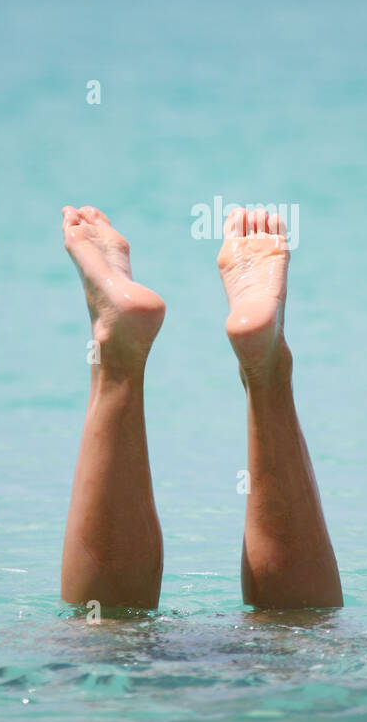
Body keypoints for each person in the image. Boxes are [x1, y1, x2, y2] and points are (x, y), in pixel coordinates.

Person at [59, 204, 342, 613]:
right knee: (298, 636)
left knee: (104, 636)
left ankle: (116, 351)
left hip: (132, 675)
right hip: (284, 675)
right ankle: (267, 372)